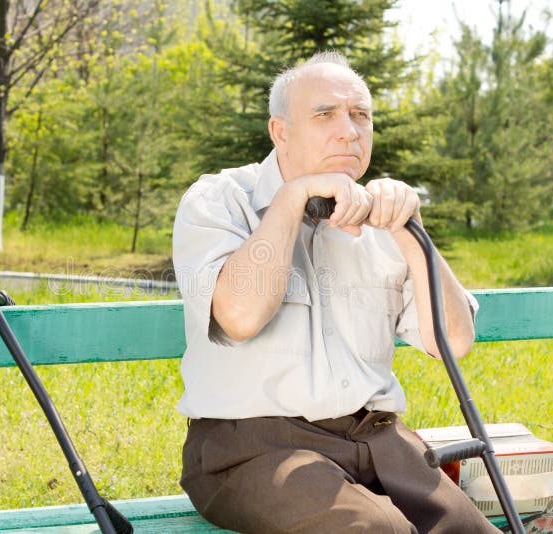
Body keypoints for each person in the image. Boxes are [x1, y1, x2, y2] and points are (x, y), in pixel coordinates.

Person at [171, 51, 500, 534]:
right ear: (280, 132)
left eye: (360, 115)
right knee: (373, 531)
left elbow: (452, 343)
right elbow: (240, 316)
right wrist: (291, 198)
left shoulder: (383, 217)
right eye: (325, 114)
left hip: (380, 443)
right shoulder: (221, 200)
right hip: (252, 448)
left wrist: (412, 235)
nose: (349, 130)